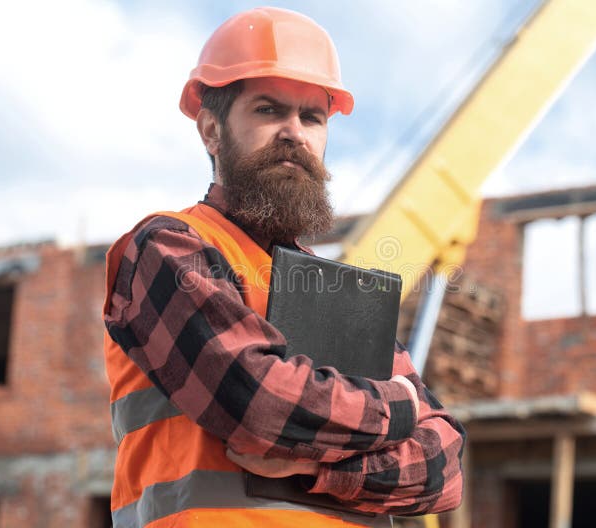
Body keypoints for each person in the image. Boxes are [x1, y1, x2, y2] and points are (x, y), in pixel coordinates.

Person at [102, 7, 465, 528]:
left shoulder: (345, 291)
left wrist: (320, 470)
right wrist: (399, 408)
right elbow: (255, 402)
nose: (294, 133)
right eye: (268, 110)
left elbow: (444, 465)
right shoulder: (168, 248)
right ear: (211, 130)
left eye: (312, 117)